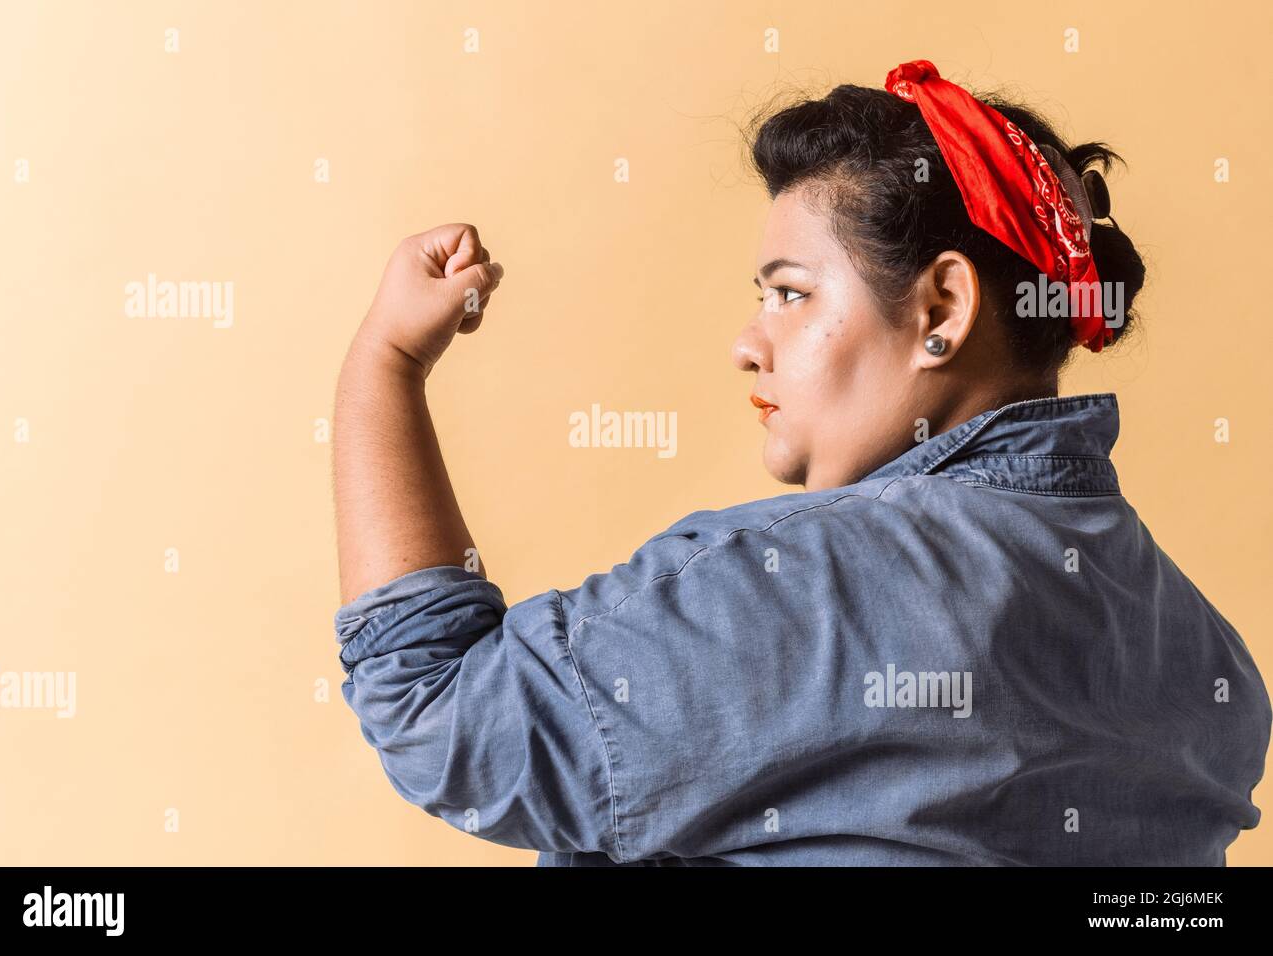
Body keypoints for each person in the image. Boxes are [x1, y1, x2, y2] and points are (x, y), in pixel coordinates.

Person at [331, 60, 1270, 866]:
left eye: (789, 293)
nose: (749, 343)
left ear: (942, 308)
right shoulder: (1206, 662)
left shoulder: (803, 584)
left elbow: (435, 708)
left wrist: (387, 364)